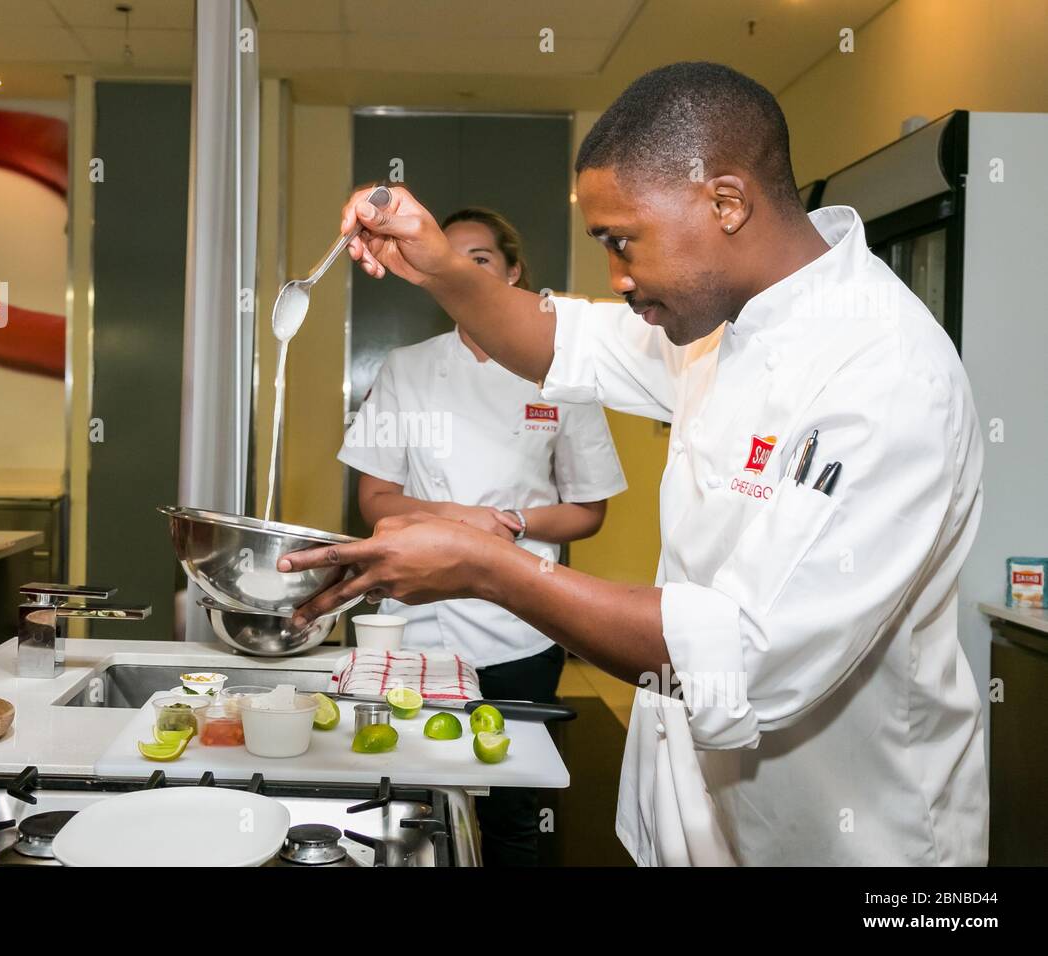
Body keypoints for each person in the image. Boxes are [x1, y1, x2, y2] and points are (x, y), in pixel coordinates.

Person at [281, 62, 987, 866]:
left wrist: (486, 565)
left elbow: (740, 658)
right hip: (693, 819)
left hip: (841, 844)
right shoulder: (727, 318)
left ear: (726, 202)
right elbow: (560, 340)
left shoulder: (883, 376)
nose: (616, 277)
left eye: (624, 242)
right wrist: (439, 264)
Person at [339, 207, 627, 866]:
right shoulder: (407, 368)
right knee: (401, 802)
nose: (463, 274)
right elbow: (376, 501)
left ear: (513, 271)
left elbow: (588, 507)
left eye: (480, 260)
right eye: (449, 258)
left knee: (510, 807)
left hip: (521, 624)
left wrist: (514, 523)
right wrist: (457, 518)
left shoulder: (561, 375)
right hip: (411, 623)